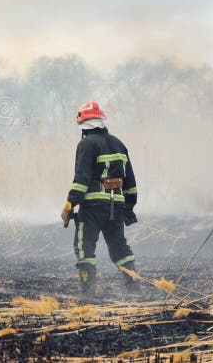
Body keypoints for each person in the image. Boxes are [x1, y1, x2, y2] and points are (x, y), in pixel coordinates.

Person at [61, 101, 139, 296]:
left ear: (83, 125)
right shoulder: (119, 143)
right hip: (116, 207)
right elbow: (130, 181)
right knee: (119, 247)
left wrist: (71, 203)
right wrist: (128, 207)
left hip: (93, 207)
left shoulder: (86, 144)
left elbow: (81, 179)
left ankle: (88, 293)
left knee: (84, 246)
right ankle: (135, 288)